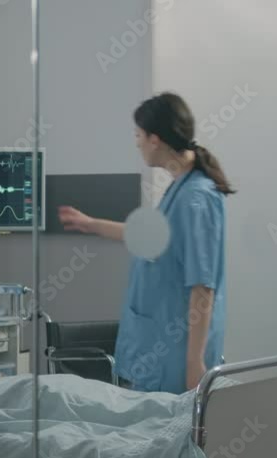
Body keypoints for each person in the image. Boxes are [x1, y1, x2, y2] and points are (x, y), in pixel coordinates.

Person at [59, 92, 233, 393]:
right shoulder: (179, 188)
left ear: (155, 139)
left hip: (176, 359)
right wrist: (91, 225)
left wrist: (194, 365)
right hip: (158, 350)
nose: (136, 142)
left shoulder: (196, 198)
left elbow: (203, 288)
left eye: (138, 135)